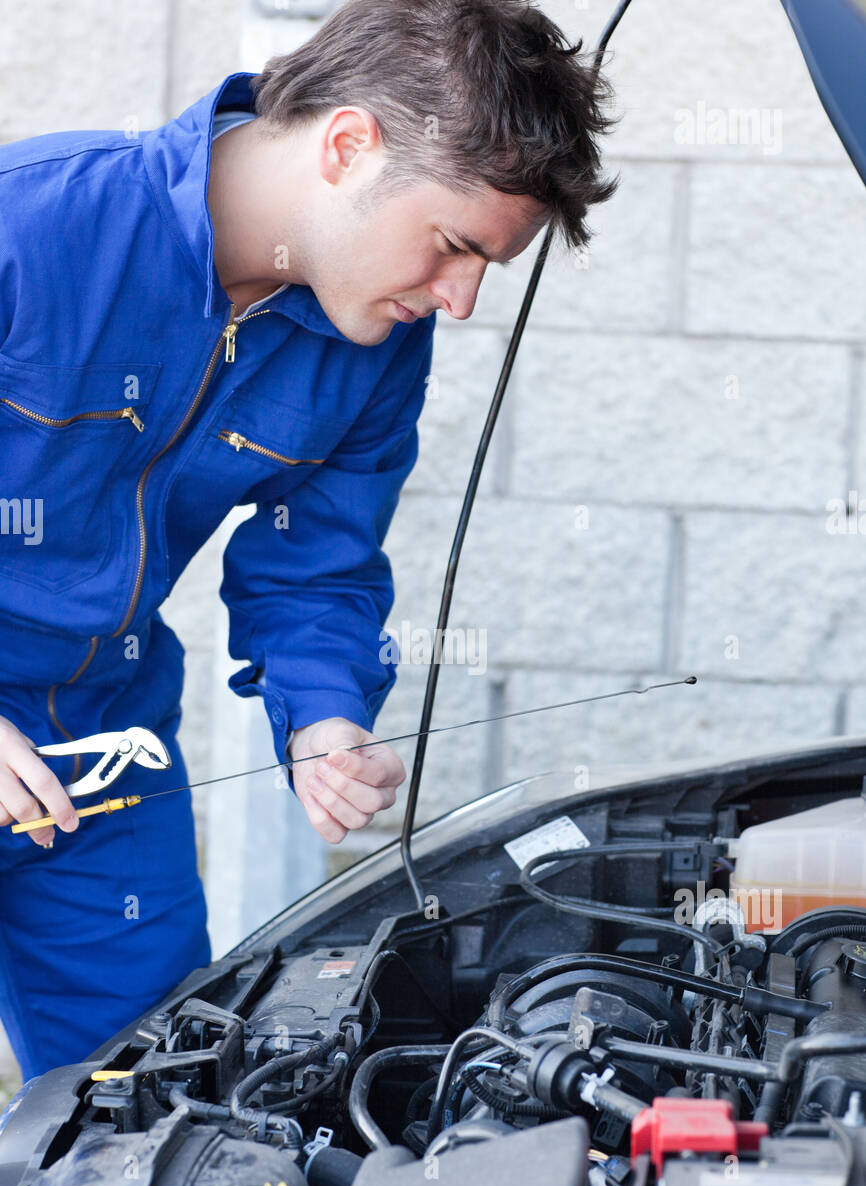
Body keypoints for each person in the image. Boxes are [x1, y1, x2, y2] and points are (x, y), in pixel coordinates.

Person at [0, 0, 615, 1079]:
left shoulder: (371, 339)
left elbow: (315, 562)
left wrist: (322, 716)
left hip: (102, 756)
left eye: (487, 271)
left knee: (143, 1106)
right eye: (450, 246)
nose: (461, 301)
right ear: (346, 147)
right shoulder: (32, 227)